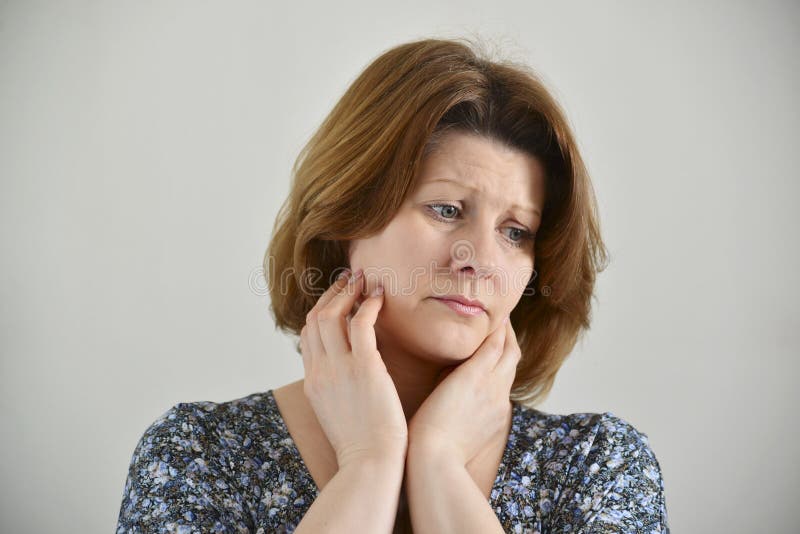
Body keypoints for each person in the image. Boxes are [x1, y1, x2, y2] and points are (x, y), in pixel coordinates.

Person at [116, 37, 670, 533]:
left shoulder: (598, 466)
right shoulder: (199, 453)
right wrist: (369, 462)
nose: (477, 259)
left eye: (515, 231)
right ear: (346, 216)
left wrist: (438, 464)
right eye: (447, 209)